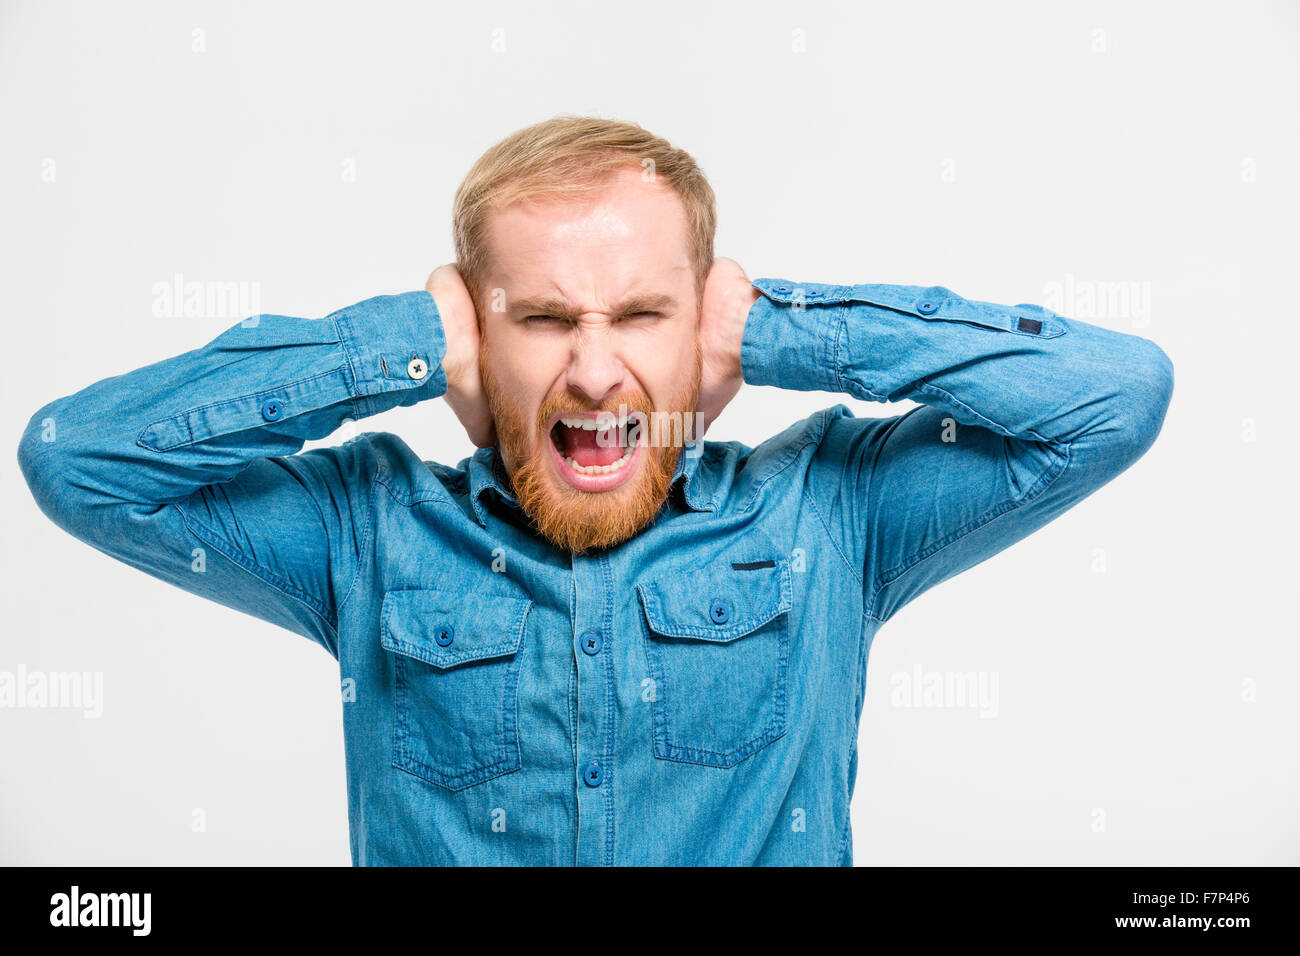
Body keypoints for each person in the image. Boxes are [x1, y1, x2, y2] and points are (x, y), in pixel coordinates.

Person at [16, 115, 1175, 866]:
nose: (591, 366)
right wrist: (403, 342)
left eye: (640, 313)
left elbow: (1113, 396)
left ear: (700, 323)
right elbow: (78, 459)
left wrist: (782, 328)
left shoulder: (827, 513)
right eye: (541, 317)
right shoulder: (364, 531)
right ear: (480, 330)